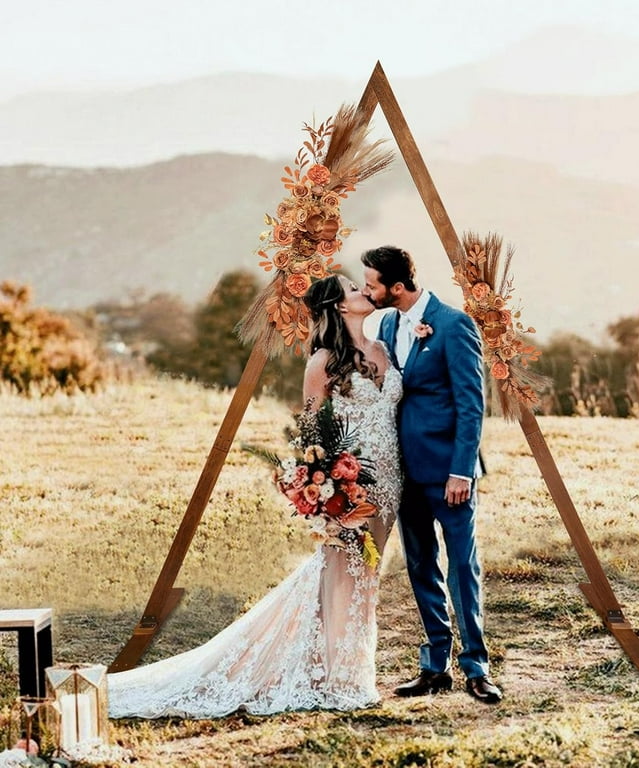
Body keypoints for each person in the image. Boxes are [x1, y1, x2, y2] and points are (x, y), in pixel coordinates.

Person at [107, 274, 403, 717]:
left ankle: (341, 668)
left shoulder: (383, 349)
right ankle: (342, 678)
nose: (364, 290)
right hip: (351, 484)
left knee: (366, 578)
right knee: (345, 574)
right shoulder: (322, 363)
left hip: (390, 484)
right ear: (340, 307)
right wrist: (327, 490)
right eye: (352, 288)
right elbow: (312, 437)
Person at [361, 245, 502, 705]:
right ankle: (434, 665)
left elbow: (471, 404)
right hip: (404, 469)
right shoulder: (385, 323)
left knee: (462, 566)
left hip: (449, 473)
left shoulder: (454, 324)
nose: (367, 290)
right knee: (421, 565)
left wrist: (462, 470)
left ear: (396, 287)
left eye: (372, 284)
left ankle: (476, 668)